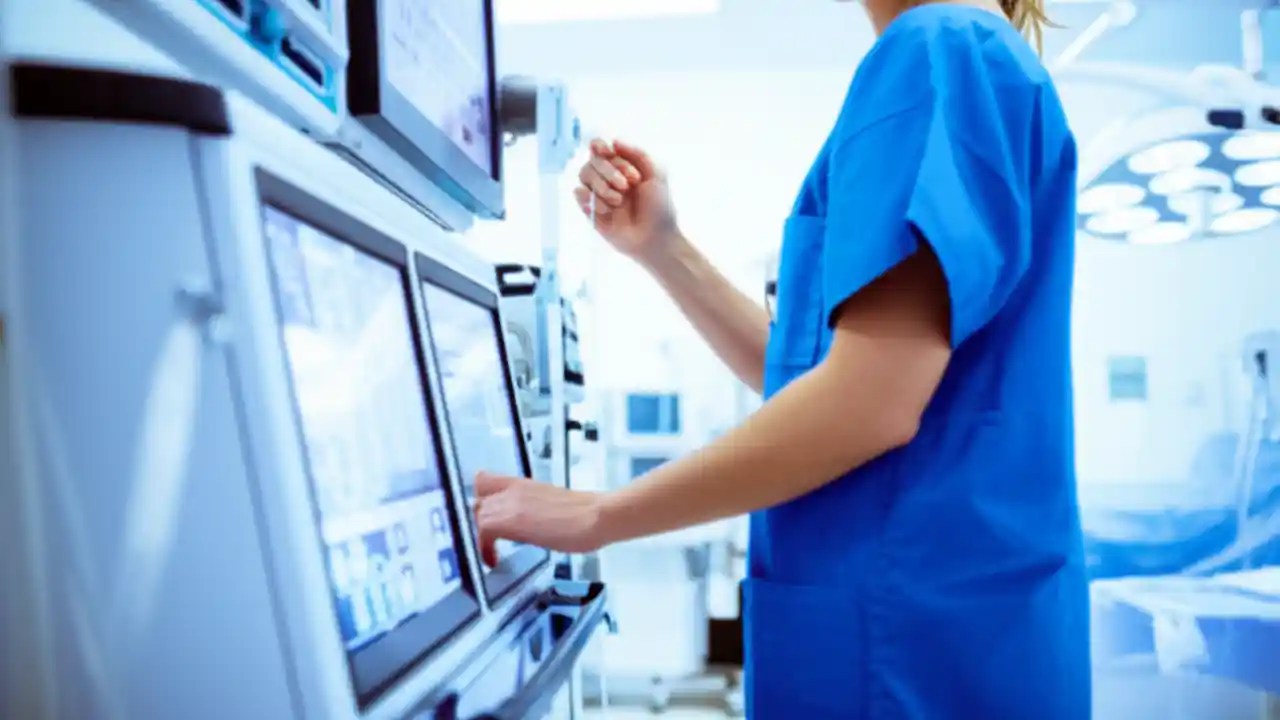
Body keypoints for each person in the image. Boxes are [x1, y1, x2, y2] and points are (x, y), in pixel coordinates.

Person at [475, 0, 1088, 717]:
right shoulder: (974, 56)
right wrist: (664, 251)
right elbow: (819, 374)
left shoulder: (938, 46)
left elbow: (868, 403)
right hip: (952, 638)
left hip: (911, 654)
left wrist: (598, 515)